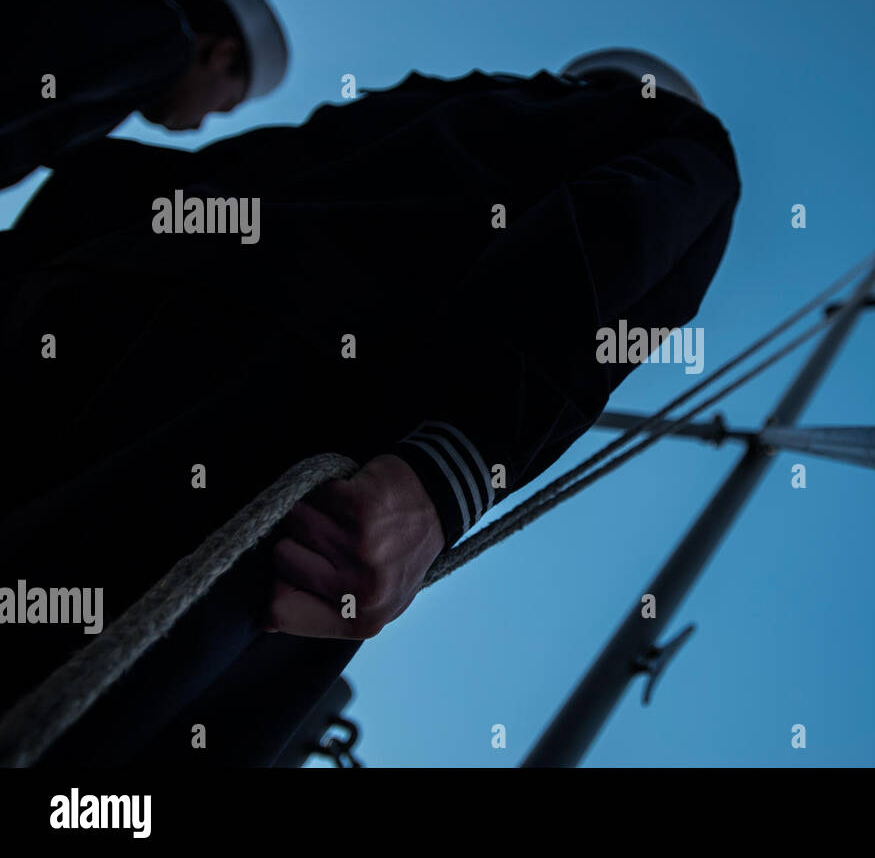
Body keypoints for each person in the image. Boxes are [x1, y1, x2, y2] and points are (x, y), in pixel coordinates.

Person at [0, 49, 741, 766]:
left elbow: (165, 179)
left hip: (87, 319)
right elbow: (614, 243)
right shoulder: (674, 133)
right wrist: (450, 470)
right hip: (283, 423)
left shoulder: (424, 97)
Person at [0, 0, 288, 189]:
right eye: (225, 105)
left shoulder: (119, 69)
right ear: (223, 55)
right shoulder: (163, 38)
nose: (199, 125)